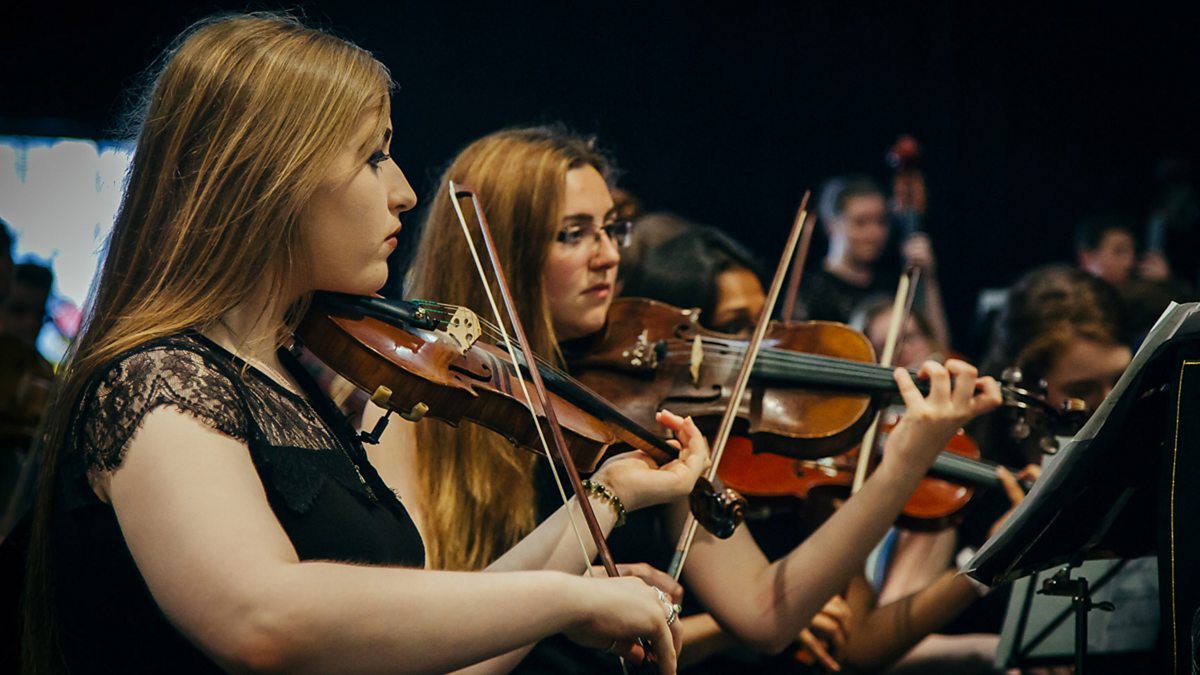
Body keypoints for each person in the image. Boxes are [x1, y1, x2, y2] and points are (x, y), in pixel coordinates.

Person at [23, 14, 701, 675]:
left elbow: (431, 653)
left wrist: (607, 495)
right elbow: (260, 618)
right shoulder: (158, 378)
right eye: (373, 155)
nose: (405, 191)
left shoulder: (291, 378)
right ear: (268, 178)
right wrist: (563, 596)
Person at [391, 125, 1002, 673]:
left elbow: (766, 613)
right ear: (509, 249)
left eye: (611, 229)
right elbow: (414, 641)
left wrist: (901, 466)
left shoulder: (641, 408)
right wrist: (567, 603)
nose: (607, 255)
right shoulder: (414, 400)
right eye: (574, 235)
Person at [623, 220, 1035, 673]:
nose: (763, 352)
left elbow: (859, 646)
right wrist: (738, 626)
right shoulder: (667, 458)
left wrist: (994, 556)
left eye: (763, 325)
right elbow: (754, 619)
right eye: (734, 328)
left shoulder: (795, 460)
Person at [795, 175, 951, 349]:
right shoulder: (810, 290)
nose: (874, 234)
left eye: (881, 221)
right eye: (860, 222)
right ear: (831, 225)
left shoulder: (894, 282)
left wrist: (927, 275)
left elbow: (937, 346)